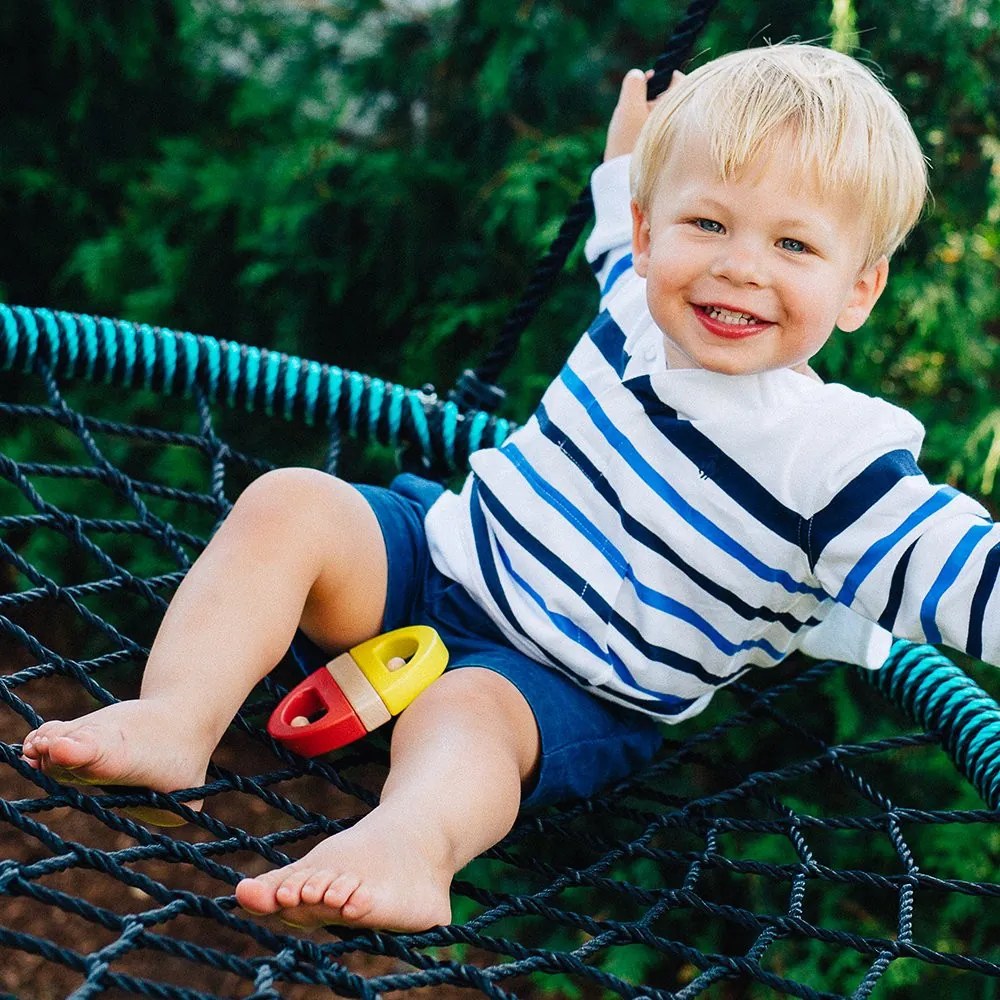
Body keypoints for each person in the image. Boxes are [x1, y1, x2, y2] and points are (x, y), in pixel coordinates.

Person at [21, 43, 1000, 934]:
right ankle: (174, 719)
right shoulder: (636, 296)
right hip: (445, 563)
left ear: (859, 289)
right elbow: (621, 212)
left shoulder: (838, 457)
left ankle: (409, 848)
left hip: (566, 686)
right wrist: (635, 141)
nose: (738, 266)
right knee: (290, 503)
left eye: (794, 246)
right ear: (653, 233)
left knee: (465, 714)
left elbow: (961, 571)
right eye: (708, 221)